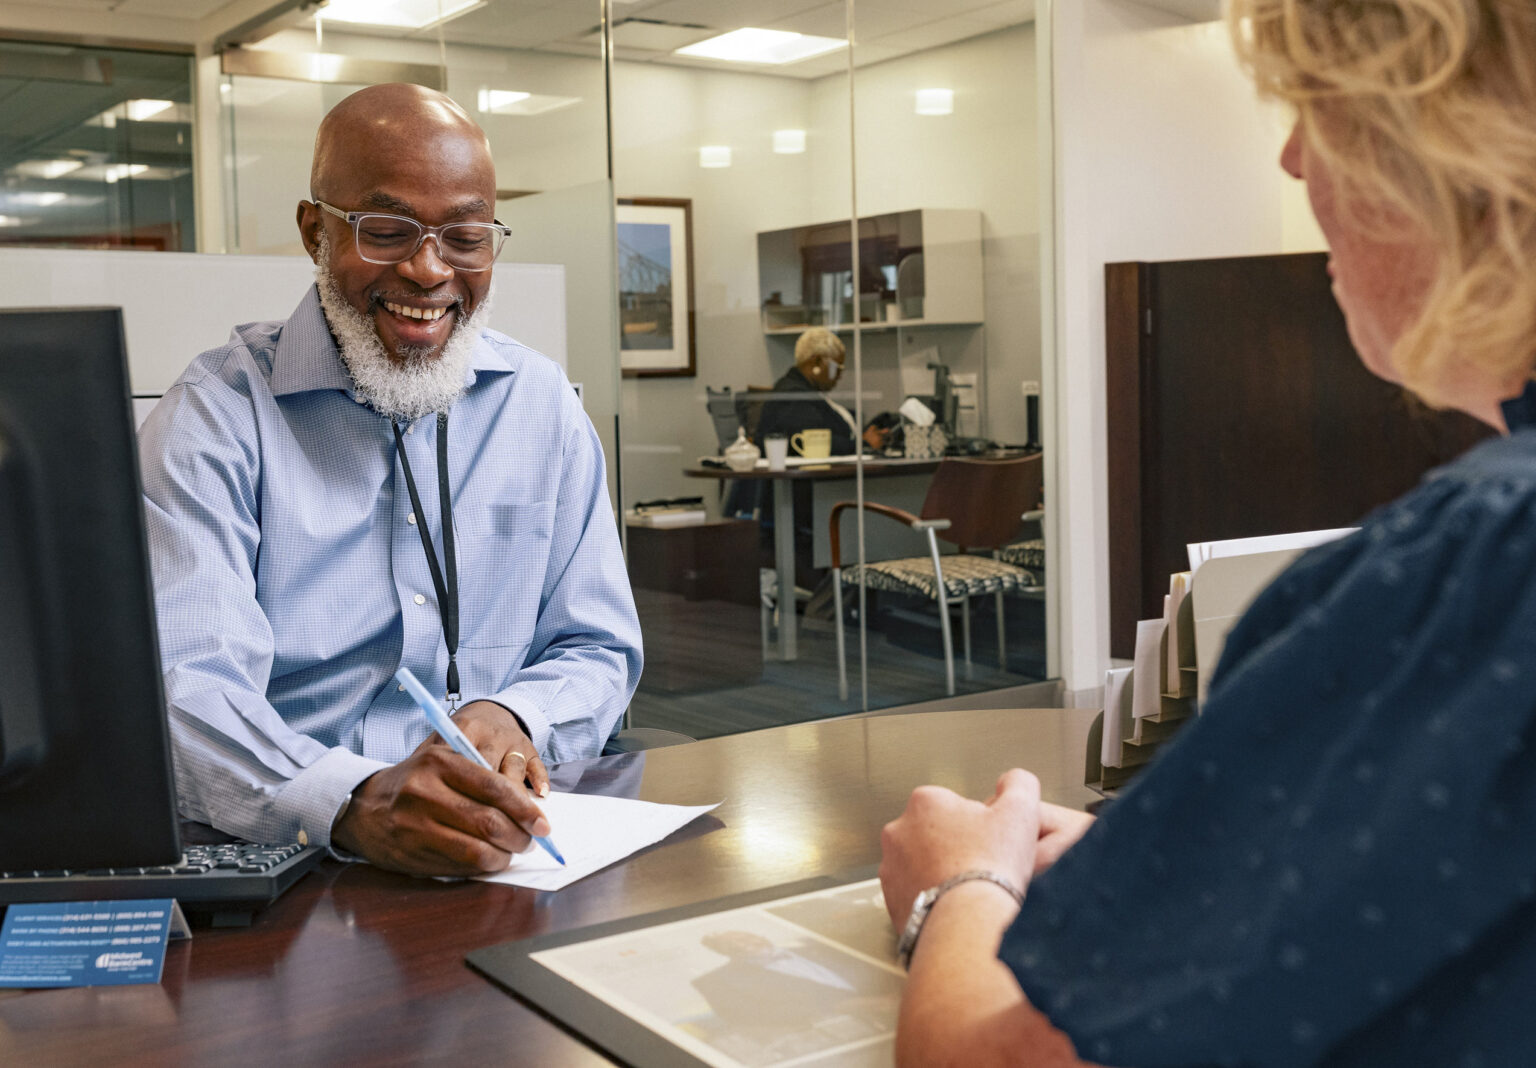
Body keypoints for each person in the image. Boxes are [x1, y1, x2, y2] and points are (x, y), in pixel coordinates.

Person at [879, 1, 1536, 1064]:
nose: (1287, 158)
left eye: (1317, 109)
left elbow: (1000, 1058)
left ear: (1453, 140)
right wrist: (1188, 864)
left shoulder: (1476, 565)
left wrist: (958, 891)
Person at [138, 84, 642, 878]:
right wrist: (354, 798)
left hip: (507, 856)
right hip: (291, 862)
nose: (429, 269)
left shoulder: (541, 405)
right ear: (314, 231)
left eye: (466, 236)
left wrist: (517, 711)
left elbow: (600, 644)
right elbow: (186, 693)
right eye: (385, 230)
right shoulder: (214, 421)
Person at [755, 327, 860, 455]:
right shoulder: (793, 395)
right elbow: (818, 442)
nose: (839, 376)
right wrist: (862, 444)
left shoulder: (804, 392)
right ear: (816, 361)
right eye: (836, 368)